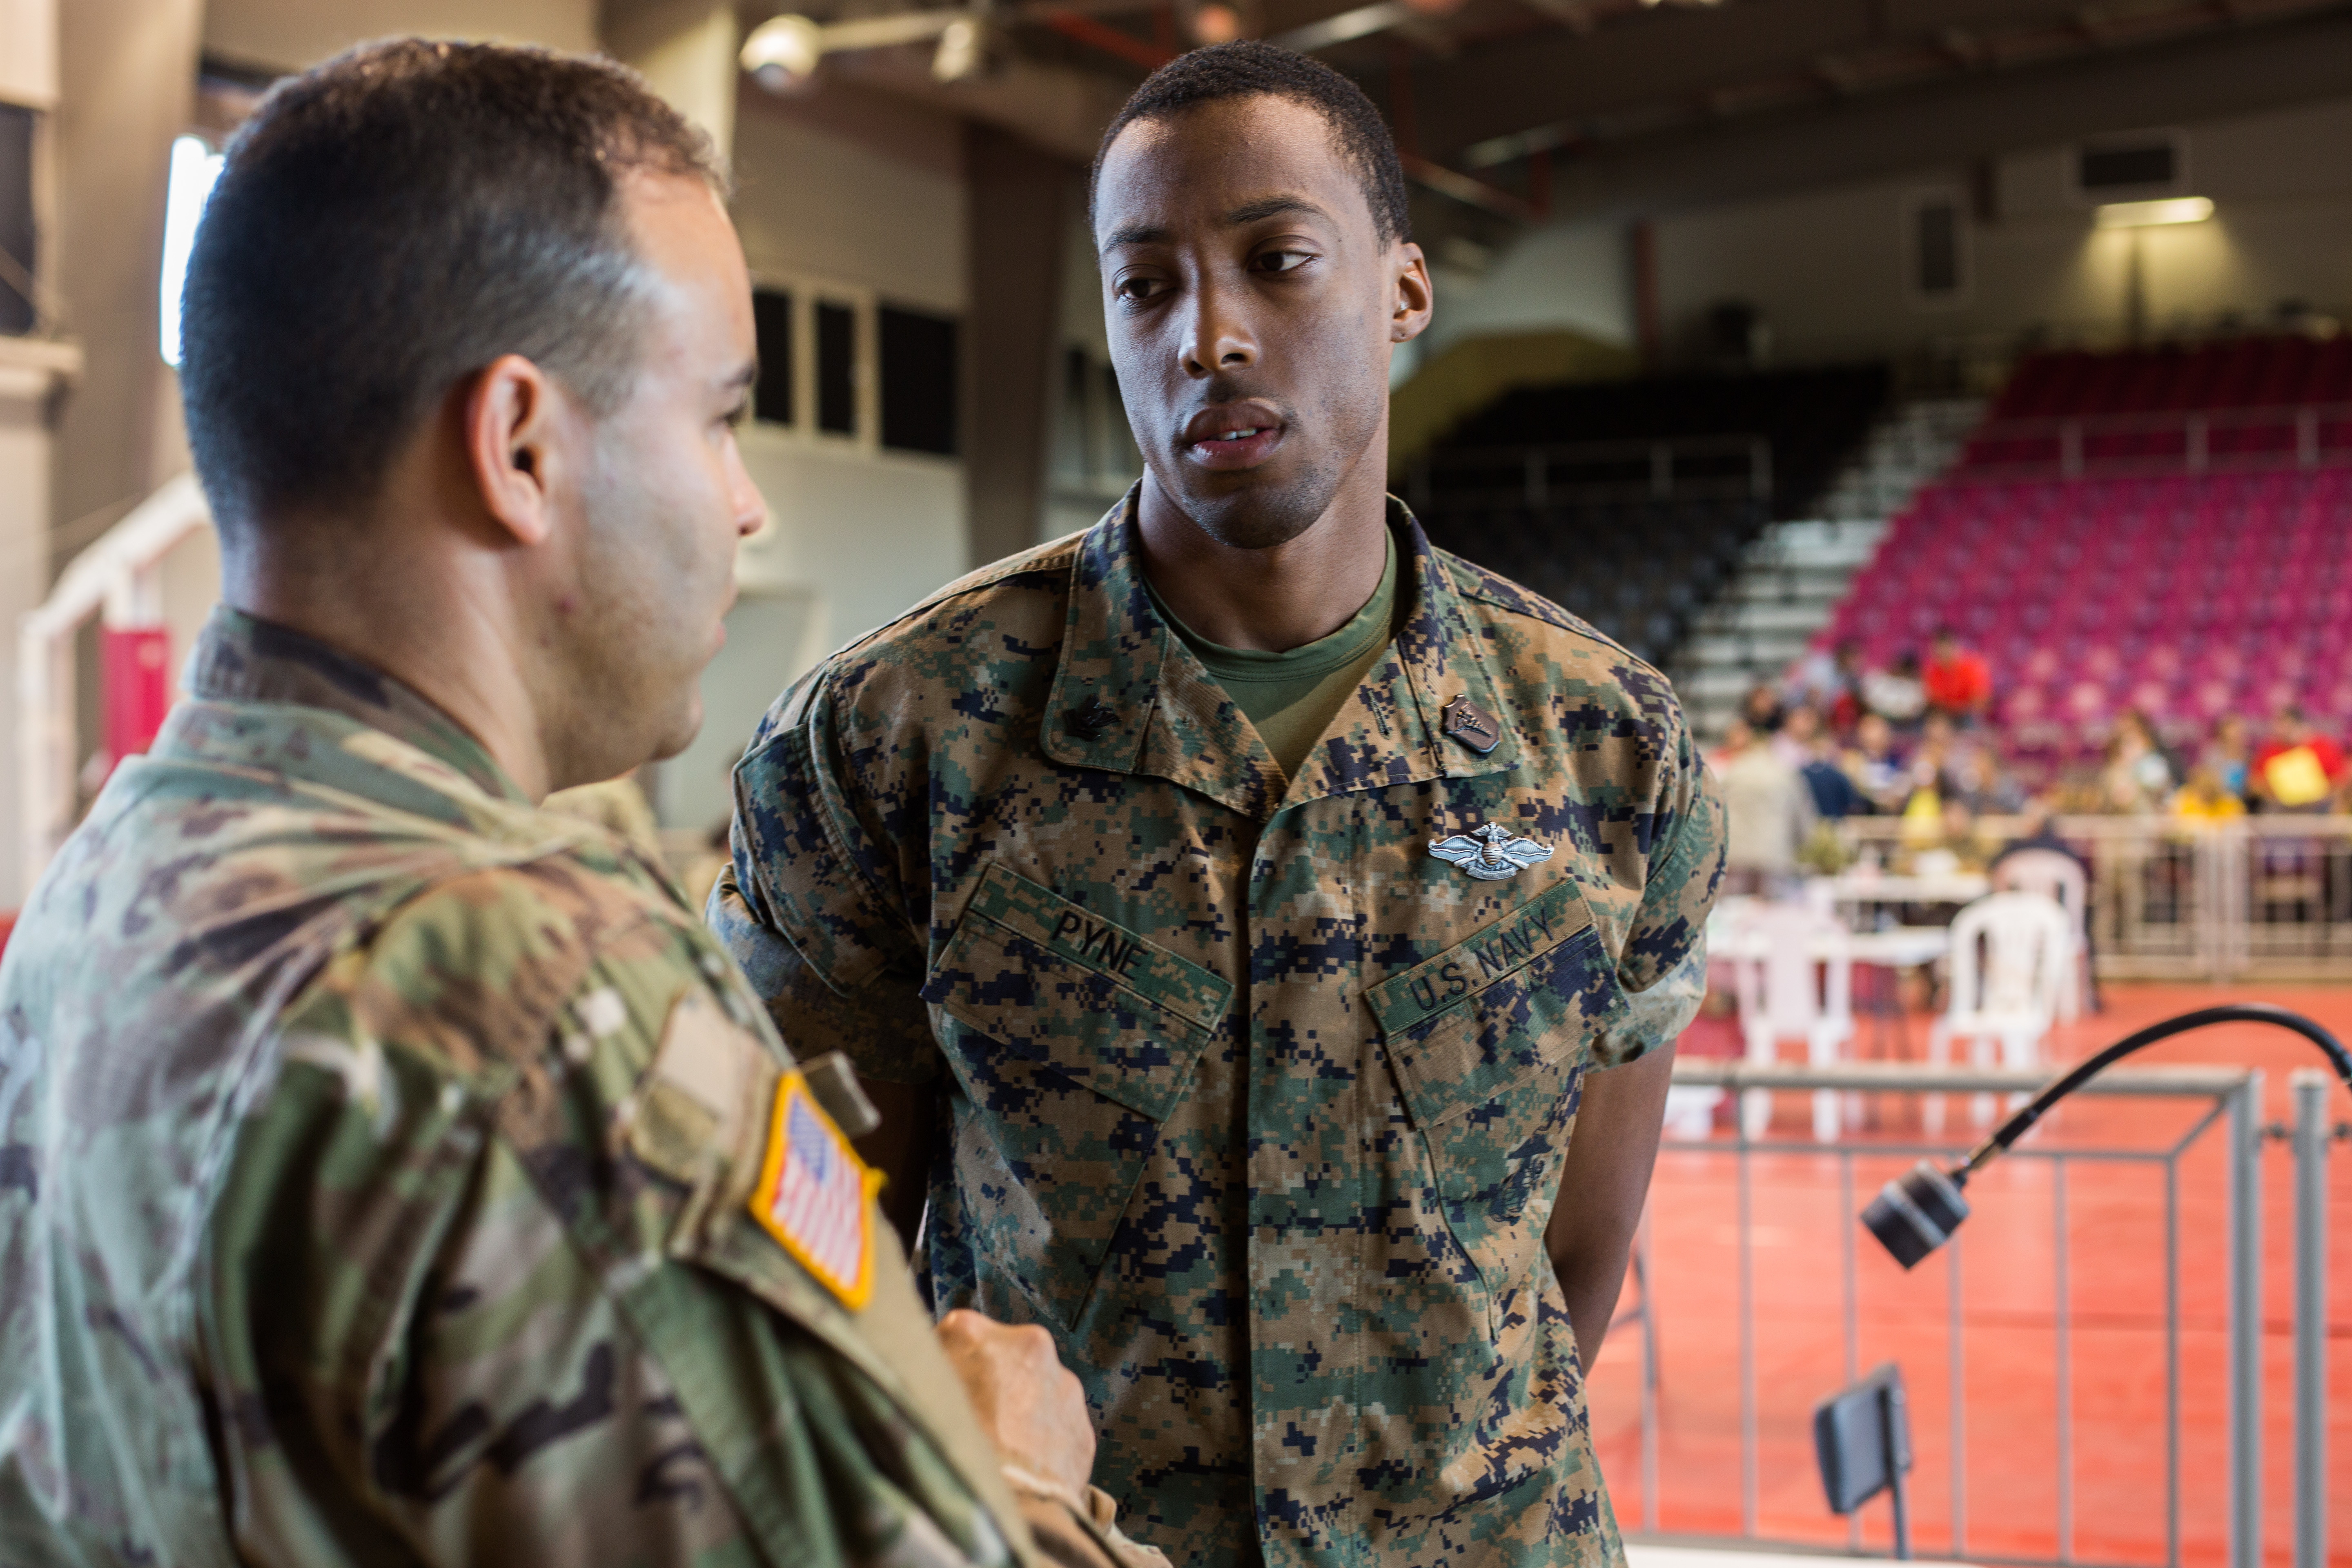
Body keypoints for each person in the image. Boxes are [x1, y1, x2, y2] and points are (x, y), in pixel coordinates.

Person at [0, 42, 1154, 1568]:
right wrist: (1009, 1476)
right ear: (521, 447)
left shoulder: (101, 897)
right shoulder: (532, 997)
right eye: (720, 418)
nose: (747, 503)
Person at [711, 41, 1725, 1568]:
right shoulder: (890, 741)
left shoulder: (1605, 749)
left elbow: (1576, 1257)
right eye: (1145, 287)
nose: (1208, 336)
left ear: (1403, 290)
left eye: (1276, 260)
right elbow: (816, 1258)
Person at [1720, 719, 1817, 896]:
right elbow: (1803, 817)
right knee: (1771, 909)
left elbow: (1717, 813)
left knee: (1736, 909)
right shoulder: (1784, 773)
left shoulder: (1734, 771)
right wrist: (1804, 846)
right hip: (1774, 856)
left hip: (1737, 856)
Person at [2250, 704, 2348, 812]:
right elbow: (2255, 783)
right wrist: (2274, 794)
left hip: (2318, 808)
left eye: (2283, 725)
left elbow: (2340, 781)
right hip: (2280, 808)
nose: (2277, 729)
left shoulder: (2322, 747)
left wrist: (2320, 795)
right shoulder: (2270, 750)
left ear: (2298, 724)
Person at [1922, 625, 1992, 723]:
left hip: (1968, 715)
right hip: (1944, 715)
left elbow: (1981, 701)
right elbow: (1933, 701)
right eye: (1939, 650)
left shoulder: (1973, 665)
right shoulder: (1932, 670)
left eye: (1946, 649)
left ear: (1955, 647)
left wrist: (1958, 708)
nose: (1943, 654)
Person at [1862, 649, 1928, 730]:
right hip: (1881, 722)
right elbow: (1869, 702)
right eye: (1901, 665)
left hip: (1907, 726)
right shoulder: (1879, 679)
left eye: (1907, 667)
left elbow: (1916, 709)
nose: (1902, 669)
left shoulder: (1917, 687)